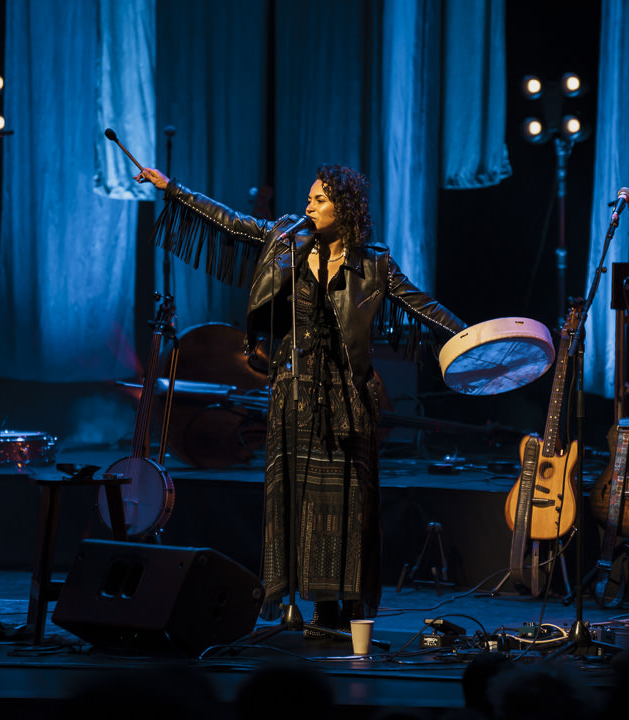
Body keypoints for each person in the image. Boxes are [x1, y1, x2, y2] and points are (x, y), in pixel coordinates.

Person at [136, 164, 466, 636]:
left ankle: (338, 613)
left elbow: (423, 308)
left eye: (320, 200)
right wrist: (173, 189)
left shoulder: (373, 264)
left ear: (345, 209)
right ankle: (291, 605)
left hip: (347, 399)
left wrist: (474, 338)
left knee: (345, 507)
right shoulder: (285, 240)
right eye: (309, 198)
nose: (308, 206)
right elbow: (231, 222)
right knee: (293, 499)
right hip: (293, 392)